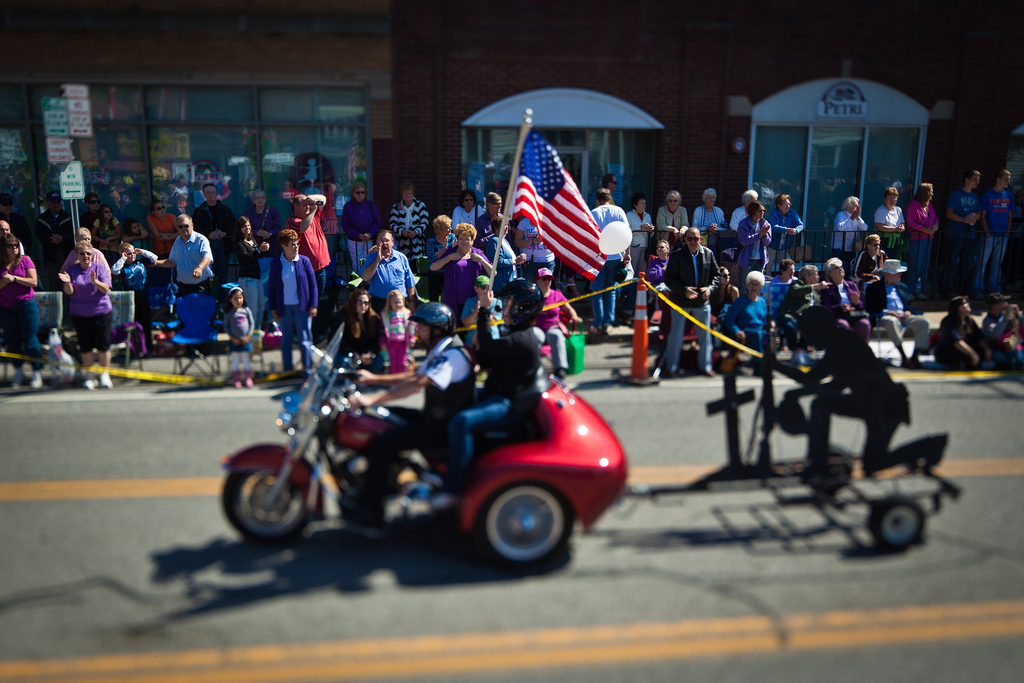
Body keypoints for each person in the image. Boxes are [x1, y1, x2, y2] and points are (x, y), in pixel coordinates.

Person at [347, 302, 475, 528]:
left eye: (423, 327)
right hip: (433, 418)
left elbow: (418, 384)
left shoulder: (453, 355)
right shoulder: (439, 350)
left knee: (386, 442)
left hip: (443, 428)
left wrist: (371, 399)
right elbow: (413, 376)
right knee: (381, 417)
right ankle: (378, 479)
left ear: (438, 329)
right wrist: (372, 380)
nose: (418, 330)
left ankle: (371, 510)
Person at [438, 280, 546, 508]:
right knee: (451, 398)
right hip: (494, 393)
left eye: (509, 302)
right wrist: (479, 344)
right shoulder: (513, 334)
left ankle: (453, 490)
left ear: (521, 307)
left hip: (508, 403)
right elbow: (488, 358)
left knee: (461, 421)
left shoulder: (524, 338)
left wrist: (485, 312)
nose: (504, 305)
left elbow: (490, 346)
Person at [774, 306, 910, 476]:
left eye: (807, 333)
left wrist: (774, 365)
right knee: (821, 405)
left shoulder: (842, 343)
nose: (807, 341)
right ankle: (817, 459)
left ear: (819, 329)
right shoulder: (838, 341)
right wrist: (798, 393)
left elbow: (810, 378)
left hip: (885, 406)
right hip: (869, 402)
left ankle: (925, 450)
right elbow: (836, 385)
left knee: (873, 463)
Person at [663, 226, 720, 377]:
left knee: (705, 337)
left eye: (696, 238)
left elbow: (717, 276)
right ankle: (671, 367)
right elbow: (669, 278)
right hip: (681, 301)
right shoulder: (677, 256)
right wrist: (684, 290)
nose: (693, 241)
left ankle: (705, 366)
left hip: (702, 302)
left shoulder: (708, 254)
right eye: (689, 238)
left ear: (701, 239)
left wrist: (710, 289)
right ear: (685, 239)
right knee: (675, 336)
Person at [59, 243, 113, 390]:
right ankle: (89, 376)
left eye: (88, 253)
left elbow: (106, 289)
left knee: (103, 346)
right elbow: (69, 292)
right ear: (76, 256)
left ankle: (104, 375)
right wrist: (66, 283)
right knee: (85, 346)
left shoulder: (100, 268)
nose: (85, 256)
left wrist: (95, 281)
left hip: (101, 313)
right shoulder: (71, 270)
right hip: (80, 314)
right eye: (82, 253)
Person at [268, 229, 318, 374]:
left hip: (302, 307)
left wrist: (314, 305)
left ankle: (308, 369)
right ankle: (288, 370)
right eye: (292, 244)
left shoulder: (304, 261)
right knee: (286, 341)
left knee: (305, 340)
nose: (296, 247)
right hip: (284, 308)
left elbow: (313, 284)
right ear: (284, 246)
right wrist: (272, 308)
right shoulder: (276, 263)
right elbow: (271, 287)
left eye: (297, 243)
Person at [864, 259, 930, 369]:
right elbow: (870, 307)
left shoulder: (902, 287)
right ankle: (904, 357)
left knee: (924, 322)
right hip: (884, 316)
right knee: (892, 321)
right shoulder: (873, 288)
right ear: (887, 274)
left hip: (903, 315)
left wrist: (908, 311)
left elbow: (909, 305)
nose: (900, 274)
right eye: (897, 272)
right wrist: (887, 312)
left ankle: (914, 356)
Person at [0, 234, 43, 388]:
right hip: (6, 307)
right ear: (3, 248)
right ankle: (18, 371)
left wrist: (15, 279)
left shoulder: (25, 260)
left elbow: (34, 282)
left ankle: (36, 372)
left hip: (26, 304)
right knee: (12, 340)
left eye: (16, 245)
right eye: (10, 245)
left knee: (30, 340)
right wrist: (5, 281)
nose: (14, 248)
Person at [589, 188, 630, 334]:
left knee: (597, 290)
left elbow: (589, 236)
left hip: (598, 257)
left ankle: (598, 322)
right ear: (610, 198)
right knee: (611, 290)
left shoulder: (593, 213)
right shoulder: (619, 211)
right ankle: (608, 322)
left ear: (598, 200)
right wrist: (627, 254)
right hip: (615, 255)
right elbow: (627, 233)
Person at [431, 222, 492, 314]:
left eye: (467, 239)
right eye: (461, 239)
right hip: (453, 300)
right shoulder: (450, 252)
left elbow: (493, 272)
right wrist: (449, 258)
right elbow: (433, 267)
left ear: (472, 240)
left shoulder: (478, 253)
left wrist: (482, 260)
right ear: (457, 240)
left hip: (473, 301)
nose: (463, 242)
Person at [776, 264, 829, 367]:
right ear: (807, 277)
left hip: (807, 318)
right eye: (816, 274)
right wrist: (816, 286)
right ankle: (798, 353)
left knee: (812, 326)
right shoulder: (797, 284)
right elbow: (796, 292)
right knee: (791, 327)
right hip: (790, 315)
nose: (818, 277)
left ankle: (800, 353)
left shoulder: (817, 292)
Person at [534, 267, 582, 379]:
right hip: (536, 327)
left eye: (549, 279)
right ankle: (533, 368)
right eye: (544, 279)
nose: (547, 282)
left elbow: (568, 309)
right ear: (537, 281)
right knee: (534, 336)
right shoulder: (533, 295)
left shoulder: (557, 295)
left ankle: (560, 368)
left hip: (552, 327)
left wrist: (575, 317)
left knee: (557, 335)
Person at [942, 169, 982, 298]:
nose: (977, 182)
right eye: (975, 179)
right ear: (967, 180)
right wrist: (964, 220)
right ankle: (946, 290)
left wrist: (974, 215)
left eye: (978, 179)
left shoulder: (976, 197)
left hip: (970, 236)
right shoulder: (956, 195)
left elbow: (980, 215)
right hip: (956, 234)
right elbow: (949, 213)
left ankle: (963, 291)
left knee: (967, 265)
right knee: (951, 263)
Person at [110, 242, 157, 351]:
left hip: (144, 297)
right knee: (132, 324)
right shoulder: (122, 267)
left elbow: (154, 258)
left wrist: (142, 252)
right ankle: (134, 348)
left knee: (146, 323)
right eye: (129, 254)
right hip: (131, 300)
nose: (132, 255)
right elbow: (114, 270)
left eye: (133, 253)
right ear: (123, 255)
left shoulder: (140, 262)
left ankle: (148, 347)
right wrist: (122, 259)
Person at [154, 214, 214, 297]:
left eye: (186, 226)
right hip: (183, 287)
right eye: (180, 226)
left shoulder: (201, 239)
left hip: (202, 286)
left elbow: (207, 258)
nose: (183, 229)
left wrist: (200, 267)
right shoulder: (177, 241)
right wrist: (155, 263)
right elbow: (173, 261)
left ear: (192, 225)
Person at [360, 228, 417, 314]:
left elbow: (410, 282)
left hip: (399, 303)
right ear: (377, 242)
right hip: (379, 304)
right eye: (381, 241)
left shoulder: (401, 258)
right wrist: (377, 260)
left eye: (387, 240)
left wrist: (411, 302)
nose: (384, 243)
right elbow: (365, 277)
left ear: (392, 242)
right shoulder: (371, 258)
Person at [191, 183, 235, 289]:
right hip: (206, 246)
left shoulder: (225, 209)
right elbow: (195, 228)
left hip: (223, 246)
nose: (210, 194)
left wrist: (225, 233)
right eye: (208, 192)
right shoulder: (199, 211)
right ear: (204, 195)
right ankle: (209, 299)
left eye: (212, 192)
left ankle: (222, 301)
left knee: (222, 274)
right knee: (207, 274)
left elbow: (234, 226)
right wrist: (208, 234)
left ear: (216, 193)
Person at [979, 169, 1015, 295]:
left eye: (1009, 179)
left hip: (1003, 235)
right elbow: (983, 215)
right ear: (998, 179)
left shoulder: (1009, 196)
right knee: (982, 263)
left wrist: (1008, 231)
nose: (1007, 182)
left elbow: (1010, 215)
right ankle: (977, 288)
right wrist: (987, 231)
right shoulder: (987, 195)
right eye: (1005, 179)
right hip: (990, 235)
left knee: (997, 264)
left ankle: (994, 289)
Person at [820, 258, 870, 343]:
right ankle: (845, 351)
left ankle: (861, 351)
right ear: (830, 273)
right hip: (837, 316)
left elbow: (863, 305)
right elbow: (826, 307)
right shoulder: (827, 288)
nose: (840, 269)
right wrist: (840, 307)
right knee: (843, 325)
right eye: (836, 268)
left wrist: (856, 303)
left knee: (864, 324)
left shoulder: (852, 285)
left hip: (853, 315)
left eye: (841, 267)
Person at [289, 193, 331, 295]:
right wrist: (312, 210)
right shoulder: (292, 221)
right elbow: (303, 228)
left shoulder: (313, 216)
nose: (308, 206)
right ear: (296, 206)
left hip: (321, 268)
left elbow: (324, 199)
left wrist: (310, 198)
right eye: (304, 204)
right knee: (308, 299)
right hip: (306, 270)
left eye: (309, 204)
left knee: (319, 299)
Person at [934, 296, 990, 369]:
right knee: (963, 355)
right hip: (947, 351)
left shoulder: (969, 321)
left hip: (965, 350)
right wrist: (972, 354)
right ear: (958, 308)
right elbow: (957, 342)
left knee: (981, 351)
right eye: (964, 303)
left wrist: (987, 350)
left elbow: (979, 337)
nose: (968, 304)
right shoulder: (950, 321)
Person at [234, 216, 270, 329]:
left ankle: (257, 330)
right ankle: (250, 331)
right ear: (239, 228)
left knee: (261, 306)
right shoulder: (238, 242)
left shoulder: (252, 239)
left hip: (257, 277)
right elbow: (245, 258)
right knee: (252, 308)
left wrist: (263, 249)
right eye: (244, 226)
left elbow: (257, 256)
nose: (247, 228)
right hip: (247, 279)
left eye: (248, 225)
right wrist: (258, 250)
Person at [34, 191, 75, 292]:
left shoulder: (68, 217)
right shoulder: (41, 219)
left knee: (70, 282)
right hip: (51, 256)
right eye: (53, 202)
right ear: (48, 203)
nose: (56, 205)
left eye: (58, 202)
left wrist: (62, 238)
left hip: (67, 255)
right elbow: (40, 236)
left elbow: (73, 234)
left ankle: (69, 307)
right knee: (54, 283)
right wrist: (52, 239)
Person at [723, 270, 770, 356]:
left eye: (757, 285)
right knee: (757, 334)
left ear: (761, 286)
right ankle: (758, 362)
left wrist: (771, 323)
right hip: (745, 331)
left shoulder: (762, 302)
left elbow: (765, 321)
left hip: (760, 330)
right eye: (752, 284)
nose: (754, 287)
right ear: (748, 284)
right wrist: (736, 331)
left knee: (771, 334)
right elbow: (729, 320)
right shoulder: (740, 301)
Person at [905, 182, 939, 298]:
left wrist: (935, 226)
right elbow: (910, 222)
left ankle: (920, 290)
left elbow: (936, 218)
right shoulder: (913, 205)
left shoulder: (929, 205)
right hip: (917, 239)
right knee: (915, 264)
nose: (932, 194)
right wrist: (925, 229)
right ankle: (910, 290)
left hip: (929, 239)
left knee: (925, 264)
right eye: (930, 191)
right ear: (925, 192)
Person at [336, 289, 383, 371]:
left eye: (366, 303)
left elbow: (375, 339)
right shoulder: (342, 317)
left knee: (379, 360)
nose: (363, 306)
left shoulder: (373, 318)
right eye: (360, 302)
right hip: (350, 354)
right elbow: (341, 342)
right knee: (343, 361)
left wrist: (370, 353)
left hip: (366, 354)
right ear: (353, 303)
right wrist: (358, 355)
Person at [341, 181, 381, 277]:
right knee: (357, 266)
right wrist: (358, 235)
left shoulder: (370, 205)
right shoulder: (348, 206)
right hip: (354, 241)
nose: (360, 194)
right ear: (353, 194)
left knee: (370, 263)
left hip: (369, 240)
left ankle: (369, 286)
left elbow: (377, 222)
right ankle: (359, 287)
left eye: (362, 192)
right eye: (357, 192)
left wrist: (370, 234)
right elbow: (345, 225)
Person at [388, 181, 428, 264]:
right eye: (405, 193)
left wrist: (415, 232)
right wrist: (402, 231)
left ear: (413, 194)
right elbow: (392, 224)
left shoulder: (420, 206)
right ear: (402, 194)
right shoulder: (396, 207)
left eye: (409, 193)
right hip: (401, 243)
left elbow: (424, 222)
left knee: (417, 265)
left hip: (417, 243)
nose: (407, 195)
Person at [224, 286, 256, 388]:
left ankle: (248, 378)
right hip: (234, 341)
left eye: (240, 298)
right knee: (235, 359)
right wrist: (232, 337)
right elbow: (226, 326)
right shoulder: (229, 312)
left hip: (245, 340)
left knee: (246, 358)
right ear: (230, 300)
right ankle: (236, 379)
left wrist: (248, 336)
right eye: (235, 298)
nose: (238, 300)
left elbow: (251, 324)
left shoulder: (246, 310)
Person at [981, 294, 1022, 369]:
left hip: (1012, 347)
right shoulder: (987, 321)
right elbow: (995, 335)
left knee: (1018, 352)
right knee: (1000, 358)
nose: (1006, 304)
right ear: (994, 306)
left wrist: (1018, 316)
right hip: (997, 350)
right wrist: (1005, 318)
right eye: (1003, 302)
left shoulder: (1005, 315)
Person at [736, 200, 771, 285]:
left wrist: (764, 235)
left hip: (760, 260)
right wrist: (758, 235)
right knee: (744, 287)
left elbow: (767, 243)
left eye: (763, 210)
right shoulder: (743, 223)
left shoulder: (765, 223)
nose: (762, 212)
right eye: (760, 210)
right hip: (747, 260)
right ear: (753, 211)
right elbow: (743, 241)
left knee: (758, 286)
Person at [485, 216, 525, 292]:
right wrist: (515, 262)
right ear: (496, 228)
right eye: (504, 225)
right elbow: (497, 261)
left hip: (510, 279)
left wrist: (519, 260)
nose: (507, 227)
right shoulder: (494, 241)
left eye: (507, 225)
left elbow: (511, 259)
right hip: (501, 283)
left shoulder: (504, 241)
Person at [460, 275, 502, 347]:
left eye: (489, 288)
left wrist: (485, 307)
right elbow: (465, 323)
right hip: (472, 343)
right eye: (484, 287)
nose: (486, 290)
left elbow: (495, 322)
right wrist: (476, 312)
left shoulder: (497, 302)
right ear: (476, 288)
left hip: (493, 340)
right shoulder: (470, 302)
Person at [514, 213, 555, 284]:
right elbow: (517, 242)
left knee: (544, 287)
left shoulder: (550, 221)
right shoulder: (524, 222)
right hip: (529, 262)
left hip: (547, 261)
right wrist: (533, 241)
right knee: (531, 288)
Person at [380, 289, 413, 374]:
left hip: (403, 342)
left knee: (403, 362)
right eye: (395, 302)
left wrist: (412, 338)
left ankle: (402, 380)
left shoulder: (406, 314)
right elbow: (382, 330)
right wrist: (382, 342)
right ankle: (393, 381)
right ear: (390, 303)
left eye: (400, 302)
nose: (398, 304)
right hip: (391, 342)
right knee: (393, 363)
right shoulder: (386, 315)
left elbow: (411, 328)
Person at [767, 194, 804, 269]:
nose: (788, 206)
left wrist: (796, 230)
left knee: (788, 267)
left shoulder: (792, 213)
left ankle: (786, 280)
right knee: (768, 267)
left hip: (785, 247)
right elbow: (772, 225)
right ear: (779, 206)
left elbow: (801, 225)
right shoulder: (774, 213)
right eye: (785, 204)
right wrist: (786, 229)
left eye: (789, 204)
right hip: (772, 246)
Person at [425, 215, 454, 302]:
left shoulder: (452, 237)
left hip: (448, 272)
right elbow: (431, 259)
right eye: (448, 227)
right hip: (435, 273)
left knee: (448, 298)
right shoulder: (431, 241)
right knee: (434, 298)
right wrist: (443, 249)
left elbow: (453, 254)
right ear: (440, 229)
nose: (450, 229)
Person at [873, 186, 907, 263]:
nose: (892, 200)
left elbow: (903, 223)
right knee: (883, 262)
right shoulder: (881, 210)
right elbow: (879, 226)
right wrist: (895, 229)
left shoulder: (898, 210)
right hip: (884, 241)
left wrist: (902, 228)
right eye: (890, 198)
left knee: (893, 262)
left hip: (895, 242)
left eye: (894, 198)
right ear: (885, 199)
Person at [832, 196, 869, 265]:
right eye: (855, 205)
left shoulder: (858, 216)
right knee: (840, 265)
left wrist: (858, 218)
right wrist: (851, 218)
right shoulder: (841, 214)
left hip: (851, 246)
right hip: (839, 245)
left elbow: (865, 228)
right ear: (847, 206)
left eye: (858, 205)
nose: (857, 207)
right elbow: (840, 228)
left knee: (849, 266)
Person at [147, 197, 177, 270]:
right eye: (158, 209)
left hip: (174, 249)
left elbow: (180, 232)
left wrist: (167, 237)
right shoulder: (150, 218)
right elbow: (157, 236)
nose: (162, 210)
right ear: (153, 211)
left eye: (163, 207)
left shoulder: (171, 217)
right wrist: (172, 234)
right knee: (164, 273)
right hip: (160, 251)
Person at [726, 189, 757, 257]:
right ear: (746, 202)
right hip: (741, 241)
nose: (755, 204)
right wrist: (744, 231)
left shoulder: (756, 212)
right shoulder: (738, 212)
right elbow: (732, 225)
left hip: (753, 242)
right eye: (753, 202)